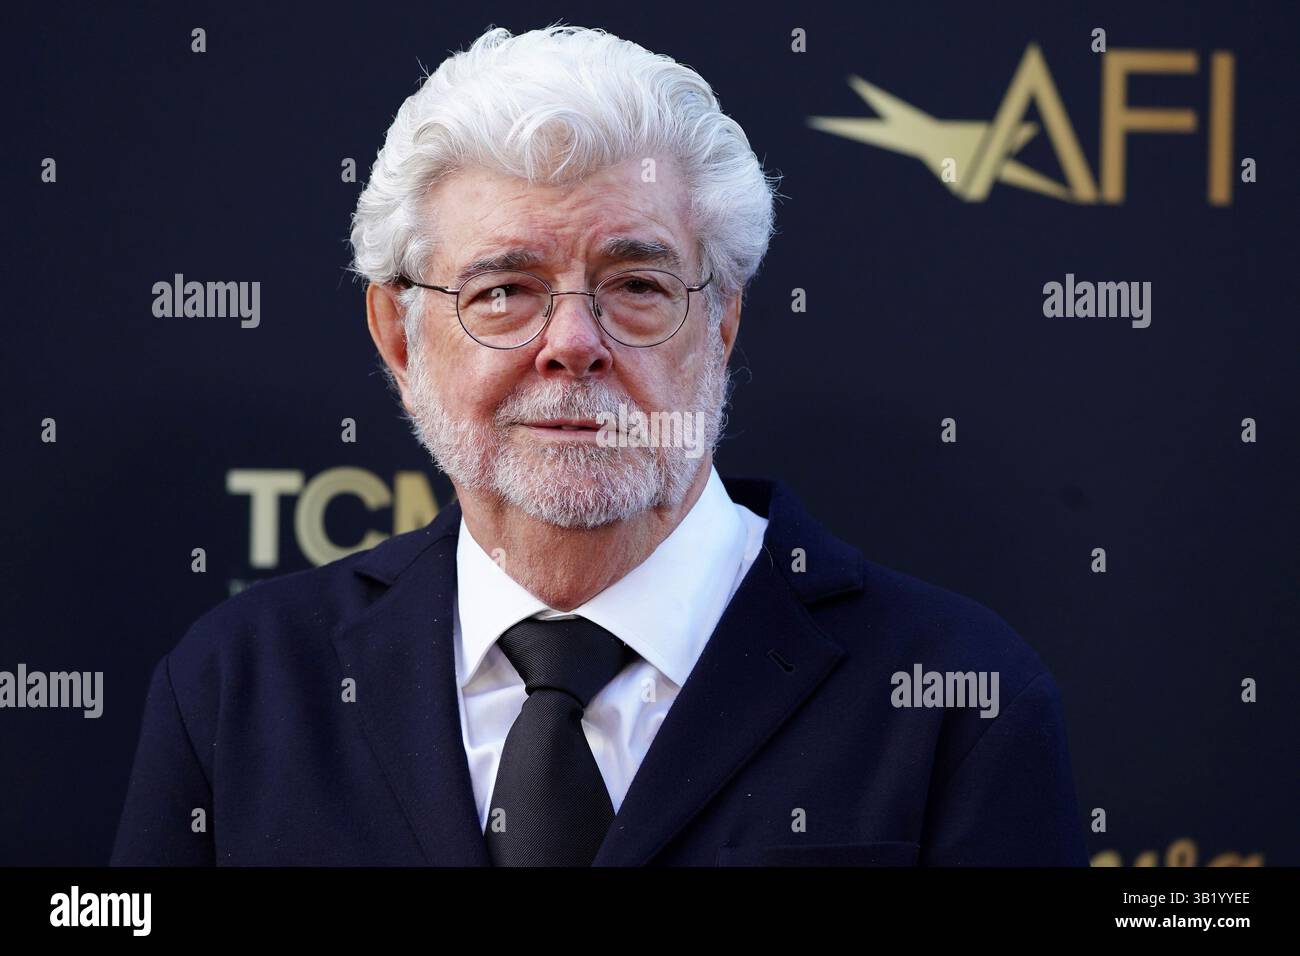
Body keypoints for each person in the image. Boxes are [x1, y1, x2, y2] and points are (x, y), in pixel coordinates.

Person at [111, 23, 1087, 867]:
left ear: (722, 324)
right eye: (503, 289)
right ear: (398, 335)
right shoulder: (239, 687)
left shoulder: (959, 695)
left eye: (638, 285)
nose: (573, 341)